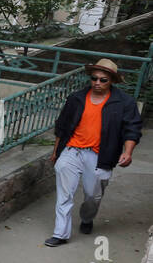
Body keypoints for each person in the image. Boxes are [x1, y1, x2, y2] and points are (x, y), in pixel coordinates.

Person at [45, 58, 141, 246]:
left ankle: (87, 218)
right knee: (64, 194)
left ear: (112, 80)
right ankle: (60, 234)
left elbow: (132, 129)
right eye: (94, 78)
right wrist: (56, 152)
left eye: (103, 80)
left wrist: (128, 152)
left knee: (92, 195)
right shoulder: (76, 98)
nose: (97, 83)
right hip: (71, 150)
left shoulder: (124, 103)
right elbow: (62, 127)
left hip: (101, 155)